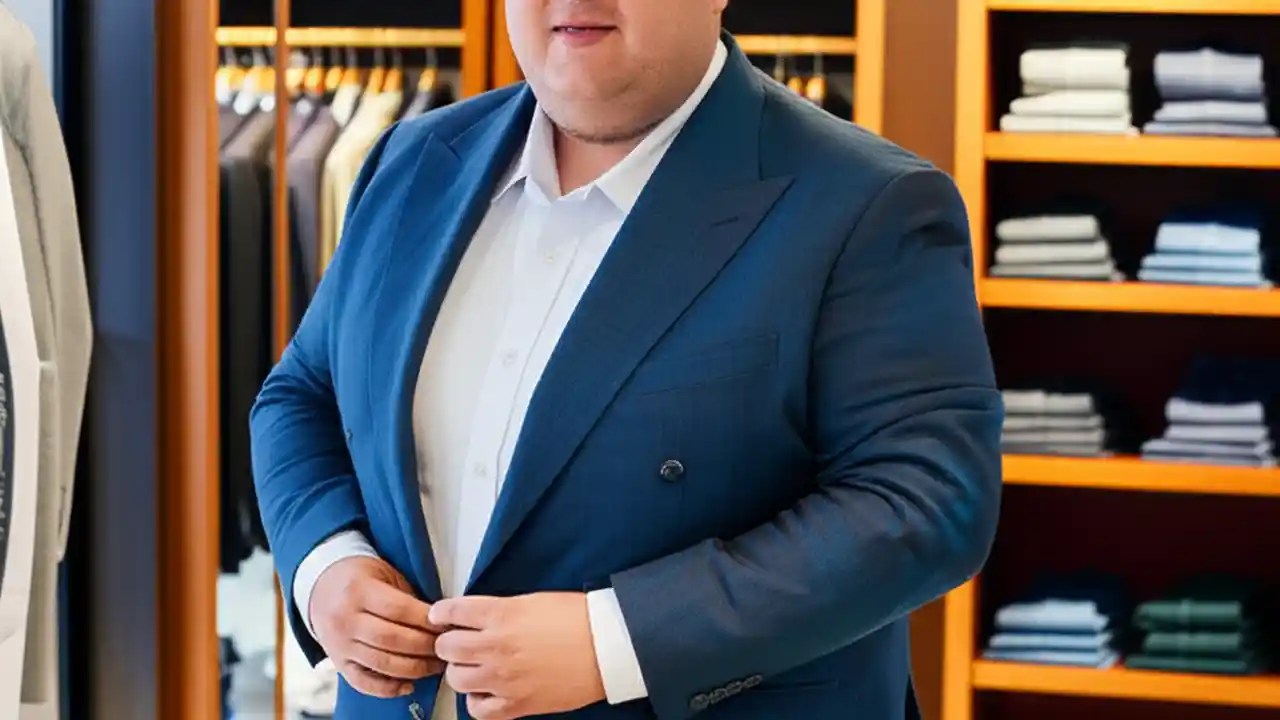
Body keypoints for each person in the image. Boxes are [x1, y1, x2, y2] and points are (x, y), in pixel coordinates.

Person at [250, 0, 1003, 718]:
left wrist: (616, 641)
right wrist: (326, 565)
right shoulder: (413, 161)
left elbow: (922, 502)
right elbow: (303, 392)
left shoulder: (871, 204)